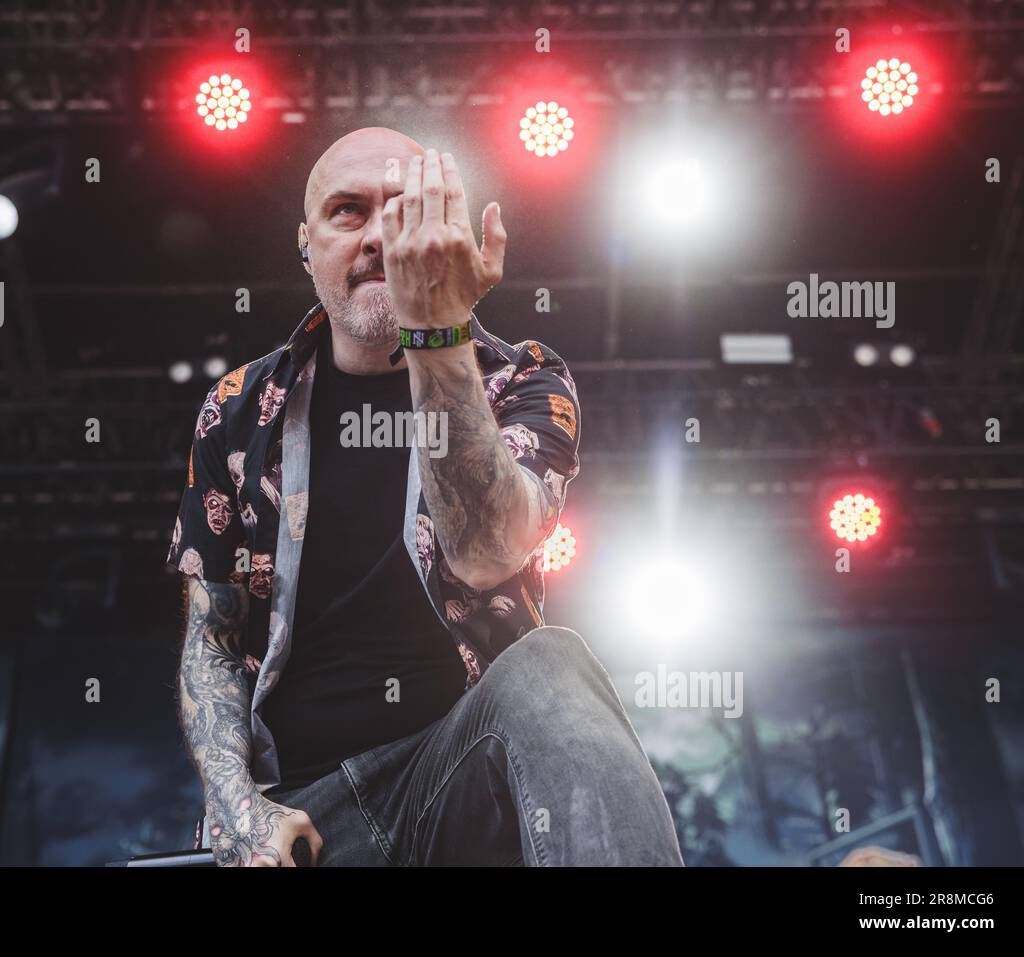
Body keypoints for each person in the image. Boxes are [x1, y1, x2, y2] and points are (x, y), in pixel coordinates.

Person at [169, 127, 683, 866]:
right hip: (304, 817)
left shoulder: (522, 380)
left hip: (462, 786)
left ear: (451, 237)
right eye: (349, 212)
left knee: (550, 663)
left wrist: (435, 334)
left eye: (406, 211)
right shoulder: (241, 407)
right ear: (306, 246)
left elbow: (484, 555)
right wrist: (238, 811)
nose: (380, 235)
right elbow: (210, 641)